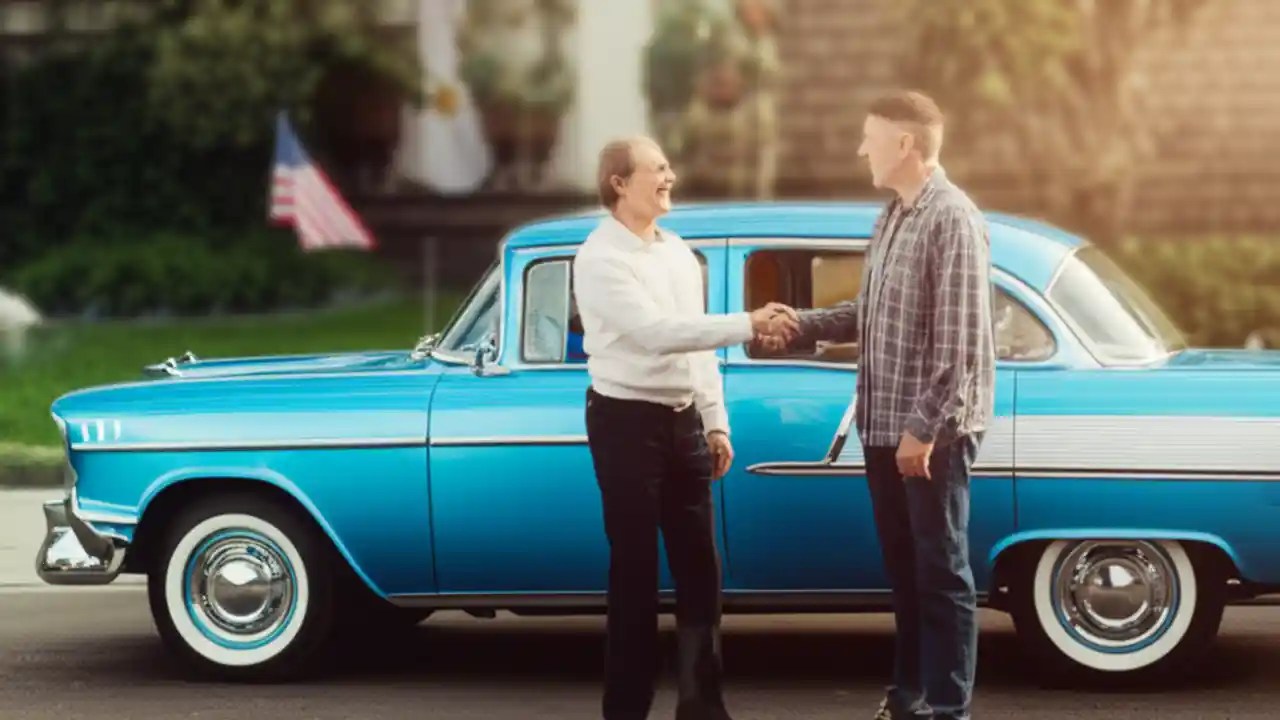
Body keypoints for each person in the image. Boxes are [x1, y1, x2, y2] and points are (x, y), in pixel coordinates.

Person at [759, 90, 995, 720]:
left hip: (930, 434)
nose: (861, 149)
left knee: (941, 573)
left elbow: (960, 342)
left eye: (869, 137)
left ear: (905, 143)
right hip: (884, 426)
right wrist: (799, 324)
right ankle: (908, 698)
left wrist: (925, 429)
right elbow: (871, 313)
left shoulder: (952, 217)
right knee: (907, 572)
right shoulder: (892, 215)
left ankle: (948, 708)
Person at [573, 136, 797, 720]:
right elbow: (657, 334)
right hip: (624, 423)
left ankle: (702, 706)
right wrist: (749, 322)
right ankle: (627, 708)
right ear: (620, 183)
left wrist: (715, 422)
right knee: (635, 570)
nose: (670, 176)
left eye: (669, 166)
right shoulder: (599, 258)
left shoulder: (677, 253)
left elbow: (695, 341)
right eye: (658, 169)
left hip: (683, 423)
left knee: (701, 568)